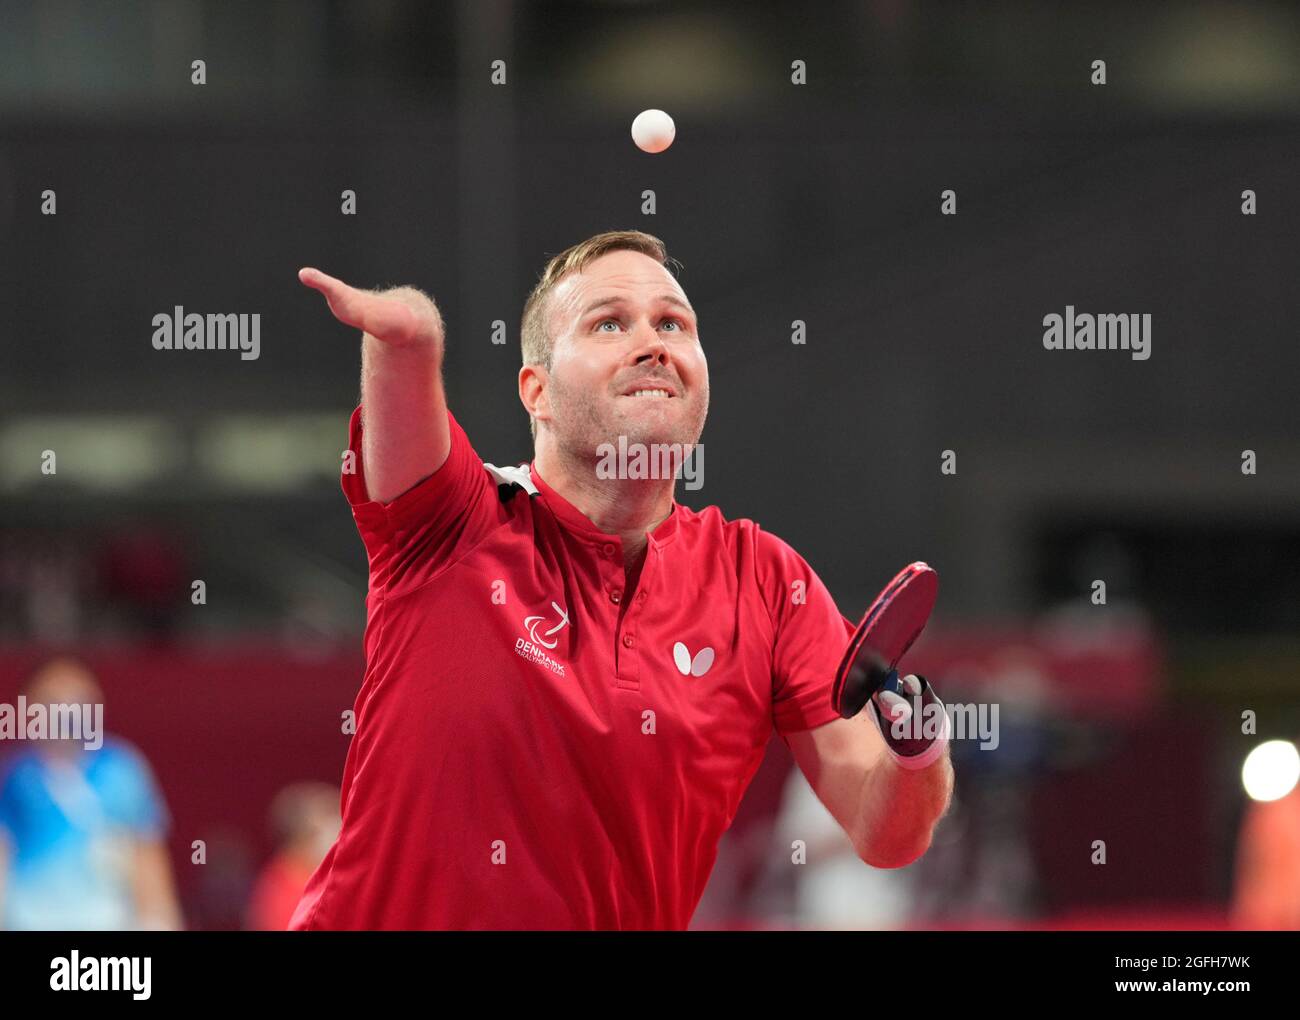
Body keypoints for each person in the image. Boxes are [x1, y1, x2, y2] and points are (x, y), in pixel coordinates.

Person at [289, 230, 953, 930]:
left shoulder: (762, 579)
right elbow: (406, 426)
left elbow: (887, 836)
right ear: (536, 391)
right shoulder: (453, 523)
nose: (653, 343)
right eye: (610, 323)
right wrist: (409, 343)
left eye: (673, 323)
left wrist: (919, 750)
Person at [0, 656, 181, 930]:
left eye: (77, 698)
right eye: (54, 698)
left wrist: (160, 919)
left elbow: (146, 850)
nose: (66, 710)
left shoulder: (120, 769)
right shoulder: (14, 775)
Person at [246, 782, 340, 930]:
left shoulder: (318, 883)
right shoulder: (285, 895)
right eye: (330, 827)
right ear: (301, 839)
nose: (337, 836)